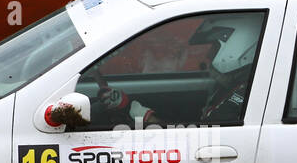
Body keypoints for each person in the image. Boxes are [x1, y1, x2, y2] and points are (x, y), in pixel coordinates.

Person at [93, 14, 262, 127]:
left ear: (238, 47)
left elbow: (197, 141)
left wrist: (147, 118)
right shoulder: (232, 87)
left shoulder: (240, 99)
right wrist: (127, 104)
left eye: (215, 48)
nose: (209, 56)